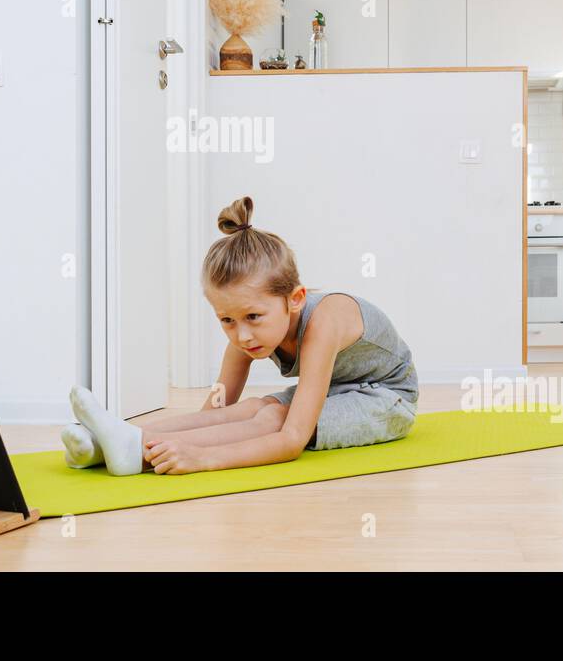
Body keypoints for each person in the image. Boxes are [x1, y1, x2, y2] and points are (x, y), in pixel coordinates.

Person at [64, 195, 420, 475]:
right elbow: (218, 408)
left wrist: (202, 457)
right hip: (339, 390)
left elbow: (292, 439)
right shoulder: (245, 329)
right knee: (253, 407)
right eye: (226, 320)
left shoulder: (324, 324)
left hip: (388, 400)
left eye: (252, 316)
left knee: (272, 418)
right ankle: (115, 443)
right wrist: (168, 440)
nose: (242, 335)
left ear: (294, 299)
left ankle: (135, 452)